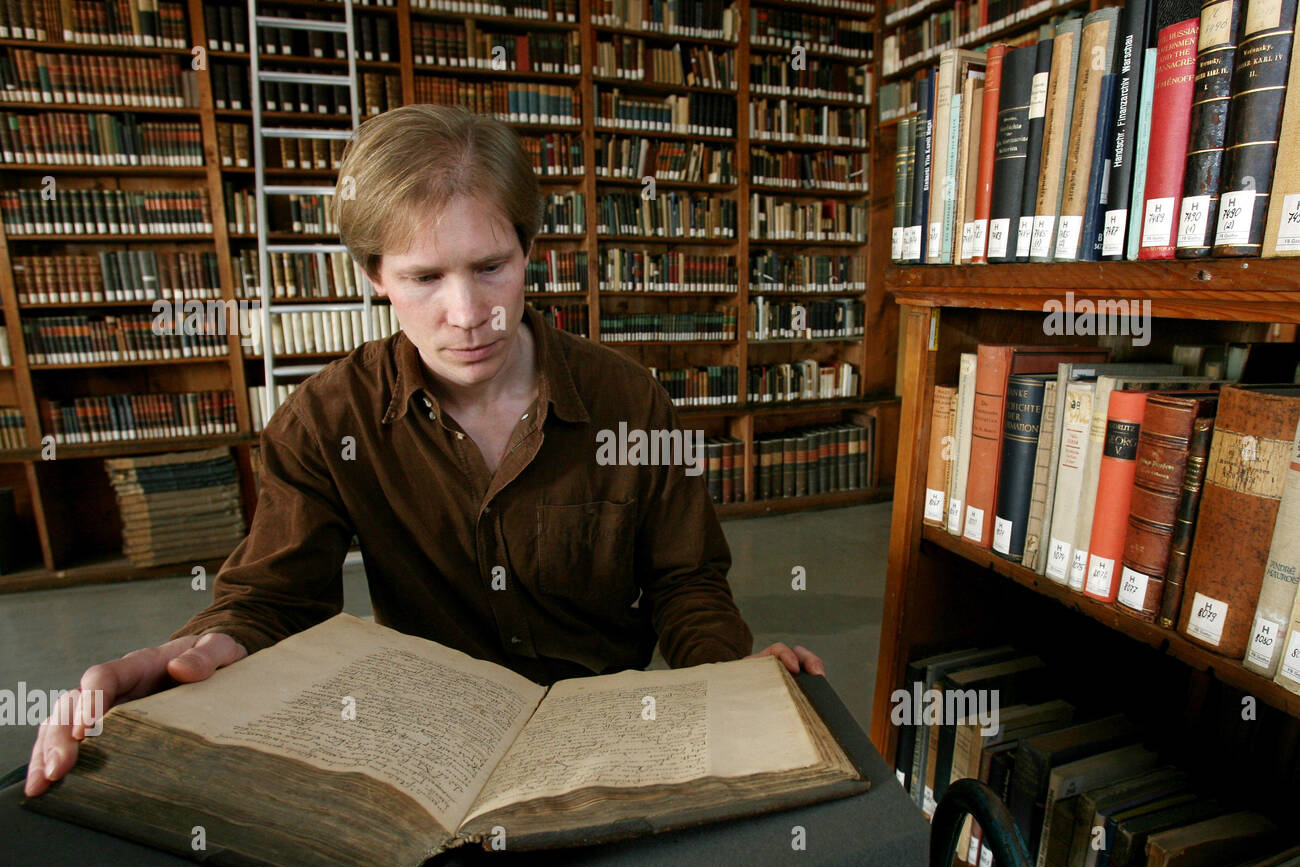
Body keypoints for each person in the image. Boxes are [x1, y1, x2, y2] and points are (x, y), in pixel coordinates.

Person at [25, 105, 824, 799]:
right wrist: (187, 655)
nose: (468, 312)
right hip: (427, 752)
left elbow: (686, 582)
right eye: (423, 277)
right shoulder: (325, 419)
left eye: (490, 267)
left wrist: (731, 681)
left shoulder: (630, 400)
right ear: (374, 275)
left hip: (610, 740)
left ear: (528, 249)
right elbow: (274, 598)